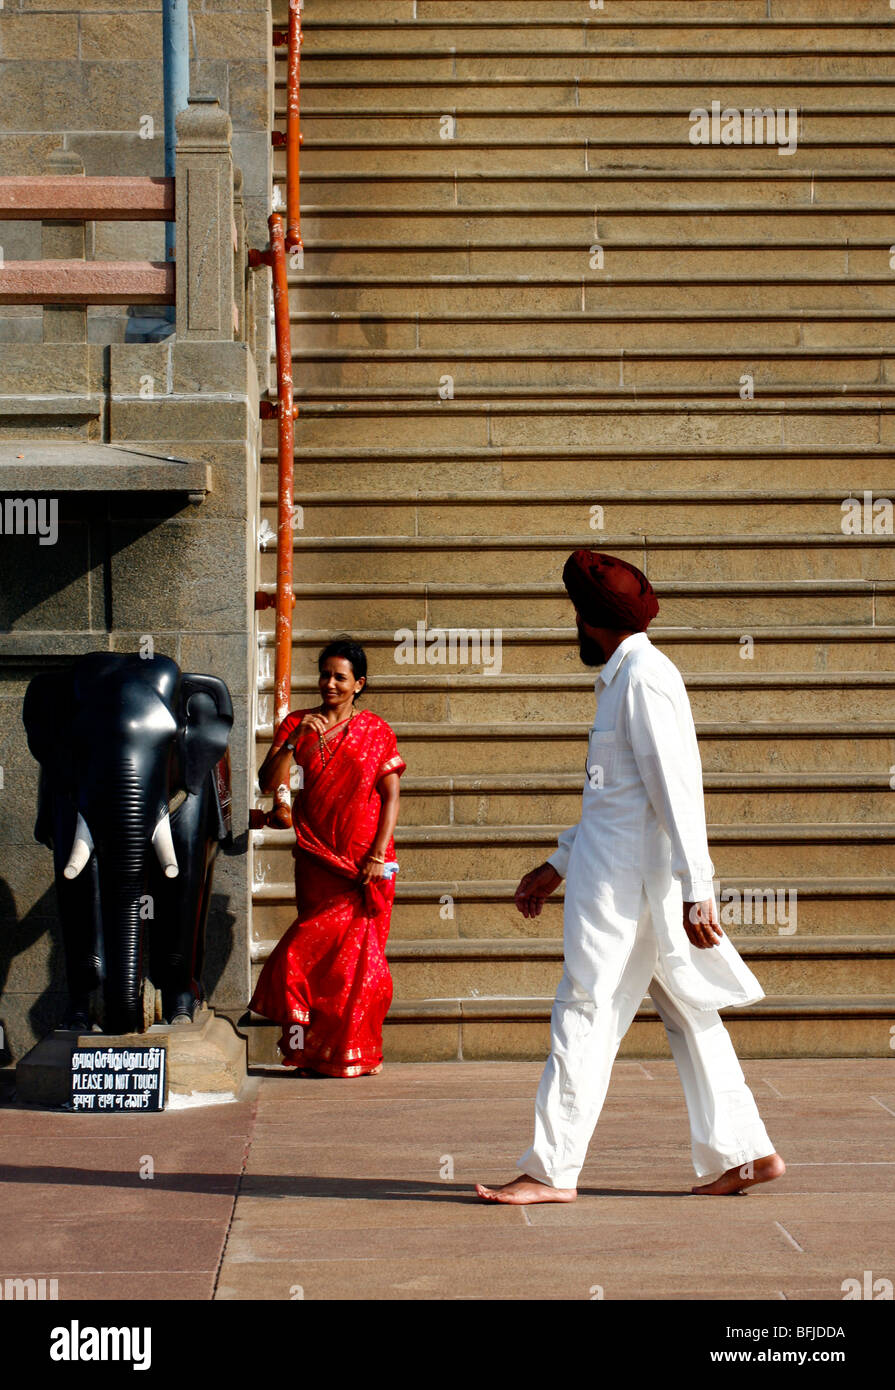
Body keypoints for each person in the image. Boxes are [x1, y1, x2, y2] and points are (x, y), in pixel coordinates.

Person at [477, 551, 785, 1203]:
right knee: (689, 1015)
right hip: (624, 884)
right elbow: (614, 797)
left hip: (624, 898)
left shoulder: (643, 678)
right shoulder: (625, 677)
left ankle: (548, 1171)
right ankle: (741, 1153)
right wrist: (556, 863)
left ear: (588, 621)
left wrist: (699, 887)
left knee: (581, 1015)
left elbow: (677, 789)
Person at [249, 638, 405, 1077]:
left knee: (359, 966)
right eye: (325, 674)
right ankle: (306, 1051)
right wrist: (293, 741)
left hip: (364, 865)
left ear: (359, 684)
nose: (330, 683)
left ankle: (358, 1054)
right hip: (317, 859)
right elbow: (267, 782)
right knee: (307, 960)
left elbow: (391, 795)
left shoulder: (375, 730)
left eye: (340, 677)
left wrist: (378, 853)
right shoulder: (298, 723)